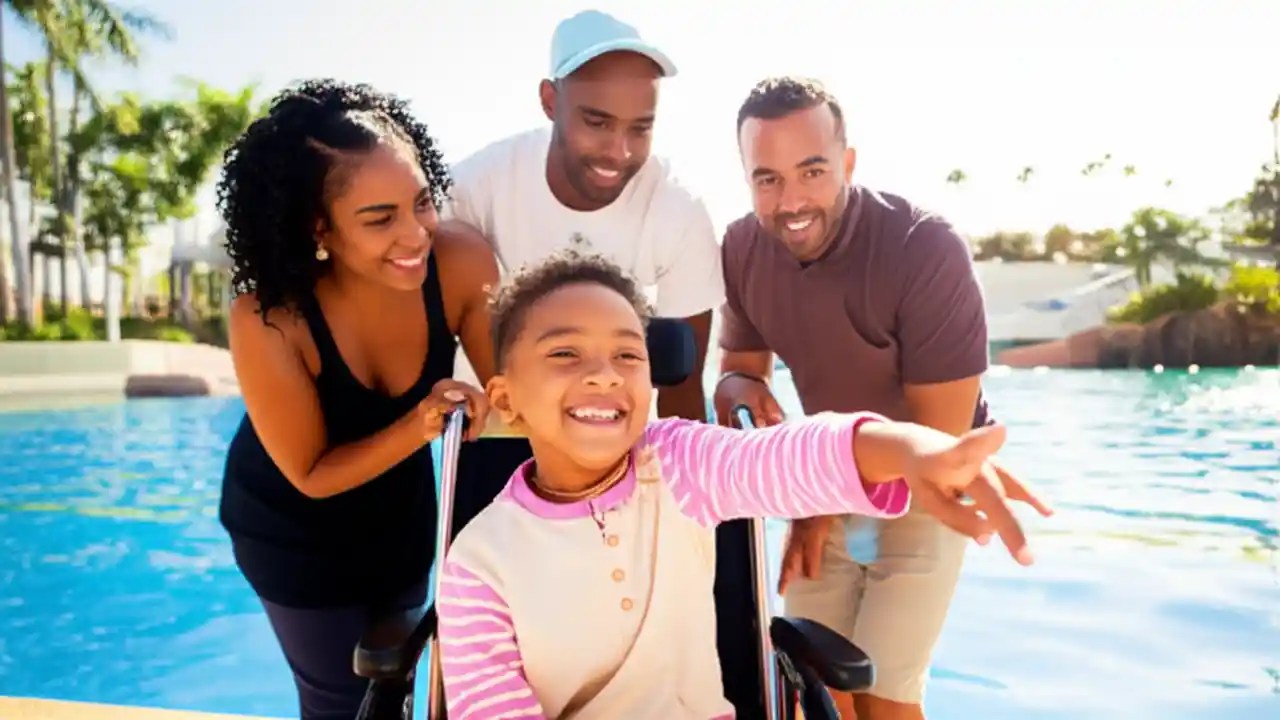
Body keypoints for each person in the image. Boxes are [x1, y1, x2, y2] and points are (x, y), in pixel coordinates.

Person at [434, 250, 1049, 719]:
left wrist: (910, 448)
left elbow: (785, 457)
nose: (602, 376)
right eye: (565, 354)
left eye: (627, 356)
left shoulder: (676, 463)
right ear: (506, 398)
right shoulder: (479, 563)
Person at [715, 76, 1022, 720]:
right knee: (812, 690)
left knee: (883, 696)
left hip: (930, 482)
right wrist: (740, 390)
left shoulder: (924, 248)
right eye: (766, 178)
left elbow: (932, 445)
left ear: (848, 163)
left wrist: (813, 495)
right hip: (827, 474)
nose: (790, 200)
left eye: (812, 170)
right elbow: (741, 370)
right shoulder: (743, 246)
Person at [215, 79, 496, 720]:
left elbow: (511, 395)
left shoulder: (459, 262)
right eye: (379, 219)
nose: (415, 234)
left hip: (398, 518)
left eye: (421, 203)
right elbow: (311, 474)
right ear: (319, 226)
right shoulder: (269, 319)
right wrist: (424, 420)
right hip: (289, 532)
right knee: (339, 704)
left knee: (394, 689)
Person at [442, 8, 721, 421]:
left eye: (640, 128)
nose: (619, 151)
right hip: (496, 428)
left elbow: (682, 387)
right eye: (597, 122)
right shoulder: (473, 188)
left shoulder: (679, 211)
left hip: (609, 430)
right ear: (550, 101)